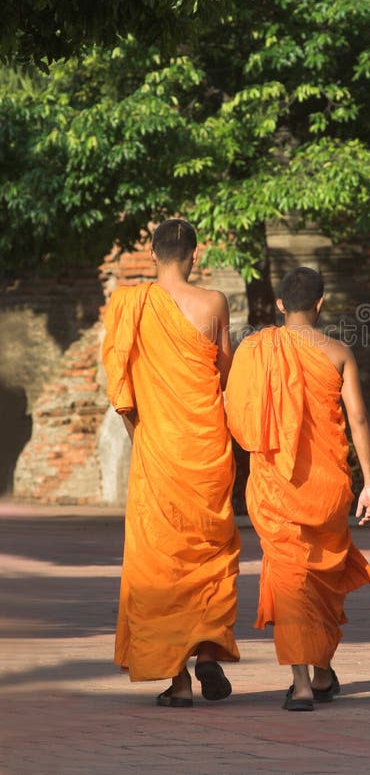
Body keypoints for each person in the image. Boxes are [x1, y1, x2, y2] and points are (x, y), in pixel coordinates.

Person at [225, 266, 370, 711]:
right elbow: (359, 419)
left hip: (277, 486)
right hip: (328, 486)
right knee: (324, 579)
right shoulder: (338, 352)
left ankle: (304, 683)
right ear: (320, 302)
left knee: (290, 577)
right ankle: (323, 670)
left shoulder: (254, 348)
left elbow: (235, 410)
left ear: (278, 305)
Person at [101, 218, 240, 708]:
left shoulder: (128, 305)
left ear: (154, 254)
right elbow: (225, 374)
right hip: (205, 451)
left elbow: (121, 391)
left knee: (159, 562)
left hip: (158, 452)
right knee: (209, 554)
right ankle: (207, 653)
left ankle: (178, 681)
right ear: (195, 255)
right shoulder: (214, 303)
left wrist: (143, 440)